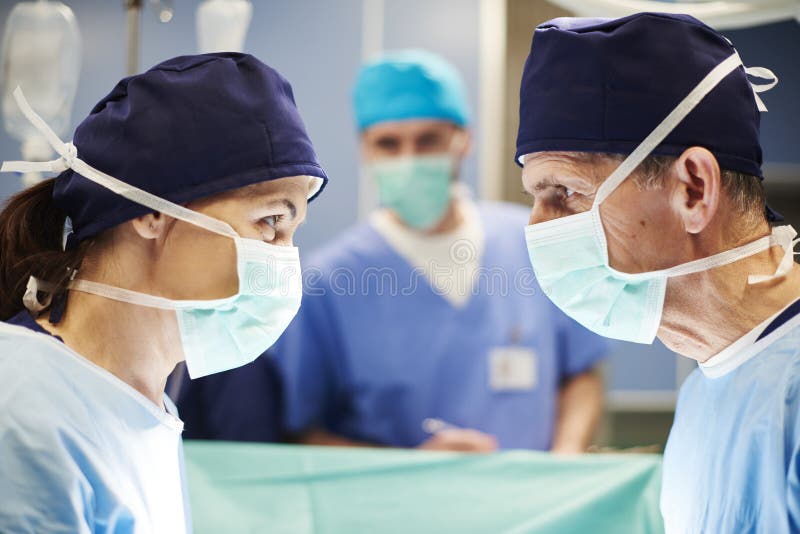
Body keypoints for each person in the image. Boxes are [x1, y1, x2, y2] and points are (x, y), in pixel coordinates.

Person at [0, 53, 327, 532]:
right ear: (150, 211)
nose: (284, 260)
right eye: (271, 223)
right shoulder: (27, 409)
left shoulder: (145, 406)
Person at [516, 12, 799, 532]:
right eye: (533, 197)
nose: (536, 228)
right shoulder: (707, 391)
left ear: (693, 188)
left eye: (565, 192)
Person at [270, 49, 608, 452]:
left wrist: (560, 466)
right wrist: (411, 471)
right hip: (399, 512)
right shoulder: (327, 281)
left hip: (533, 506)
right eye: (389, 144)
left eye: (428, 140)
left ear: (463, 139)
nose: (409, 160)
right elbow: (303, 433)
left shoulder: (533, 243)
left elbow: (581, 374)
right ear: (365, 150)